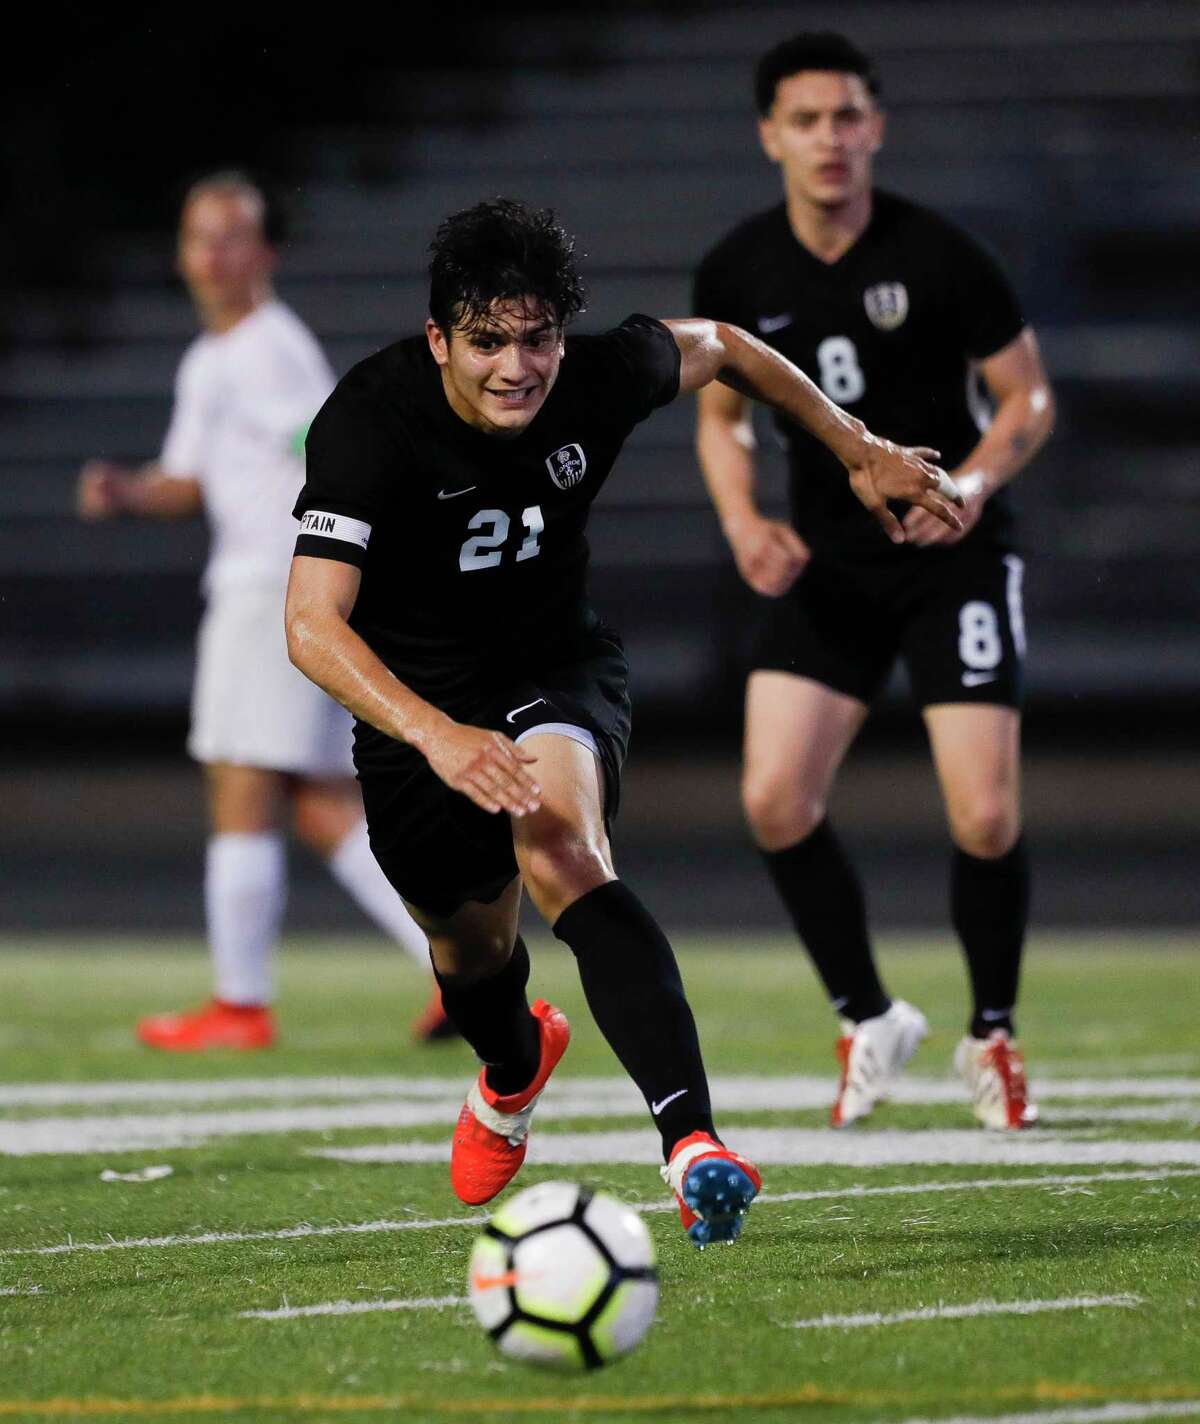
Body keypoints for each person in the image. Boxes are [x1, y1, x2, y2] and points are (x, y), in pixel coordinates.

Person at [284, 197, 963, 1240]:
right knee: (468, 953)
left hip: (555, 662)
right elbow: (311, 625)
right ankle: (512, 1070)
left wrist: (857, 444)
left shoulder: (600, 375)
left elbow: (728, 347)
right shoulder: (372, 420)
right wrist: (436, 733)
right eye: (487, 342)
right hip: (418, 706)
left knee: (564, 845)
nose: (518, 366)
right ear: (438, 341)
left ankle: (692, 1141)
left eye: (539, 336)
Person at [692, 33, 1056, 1130]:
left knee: (985, 812)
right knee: (773, 798)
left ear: (876, 126)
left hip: (952, 556)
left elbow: (1027, 399)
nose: (829, 138)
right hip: (829, 563)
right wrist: (742, 518)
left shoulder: (941, 253)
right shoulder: (740, 269)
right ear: (770, 137)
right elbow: (721, 417)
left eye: (847, 116)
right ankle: (868, 1014)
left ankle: (990, 1032)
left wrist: (979, 483)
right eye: (805, 120)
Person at [76, 171, 445, 1050]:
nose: (211, 253)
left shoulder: (265, 345)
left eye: (230, 235)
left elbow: (322, 437)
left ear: (263, 253)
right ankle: (455, 961)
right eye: (198, 236)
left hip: (268, 587)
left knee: (241, 779)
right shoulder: (215, 356)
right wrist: (130, 492)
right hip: (274, 586)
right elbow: (196, 479)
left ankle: (240, 1003)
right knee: (318, 801)